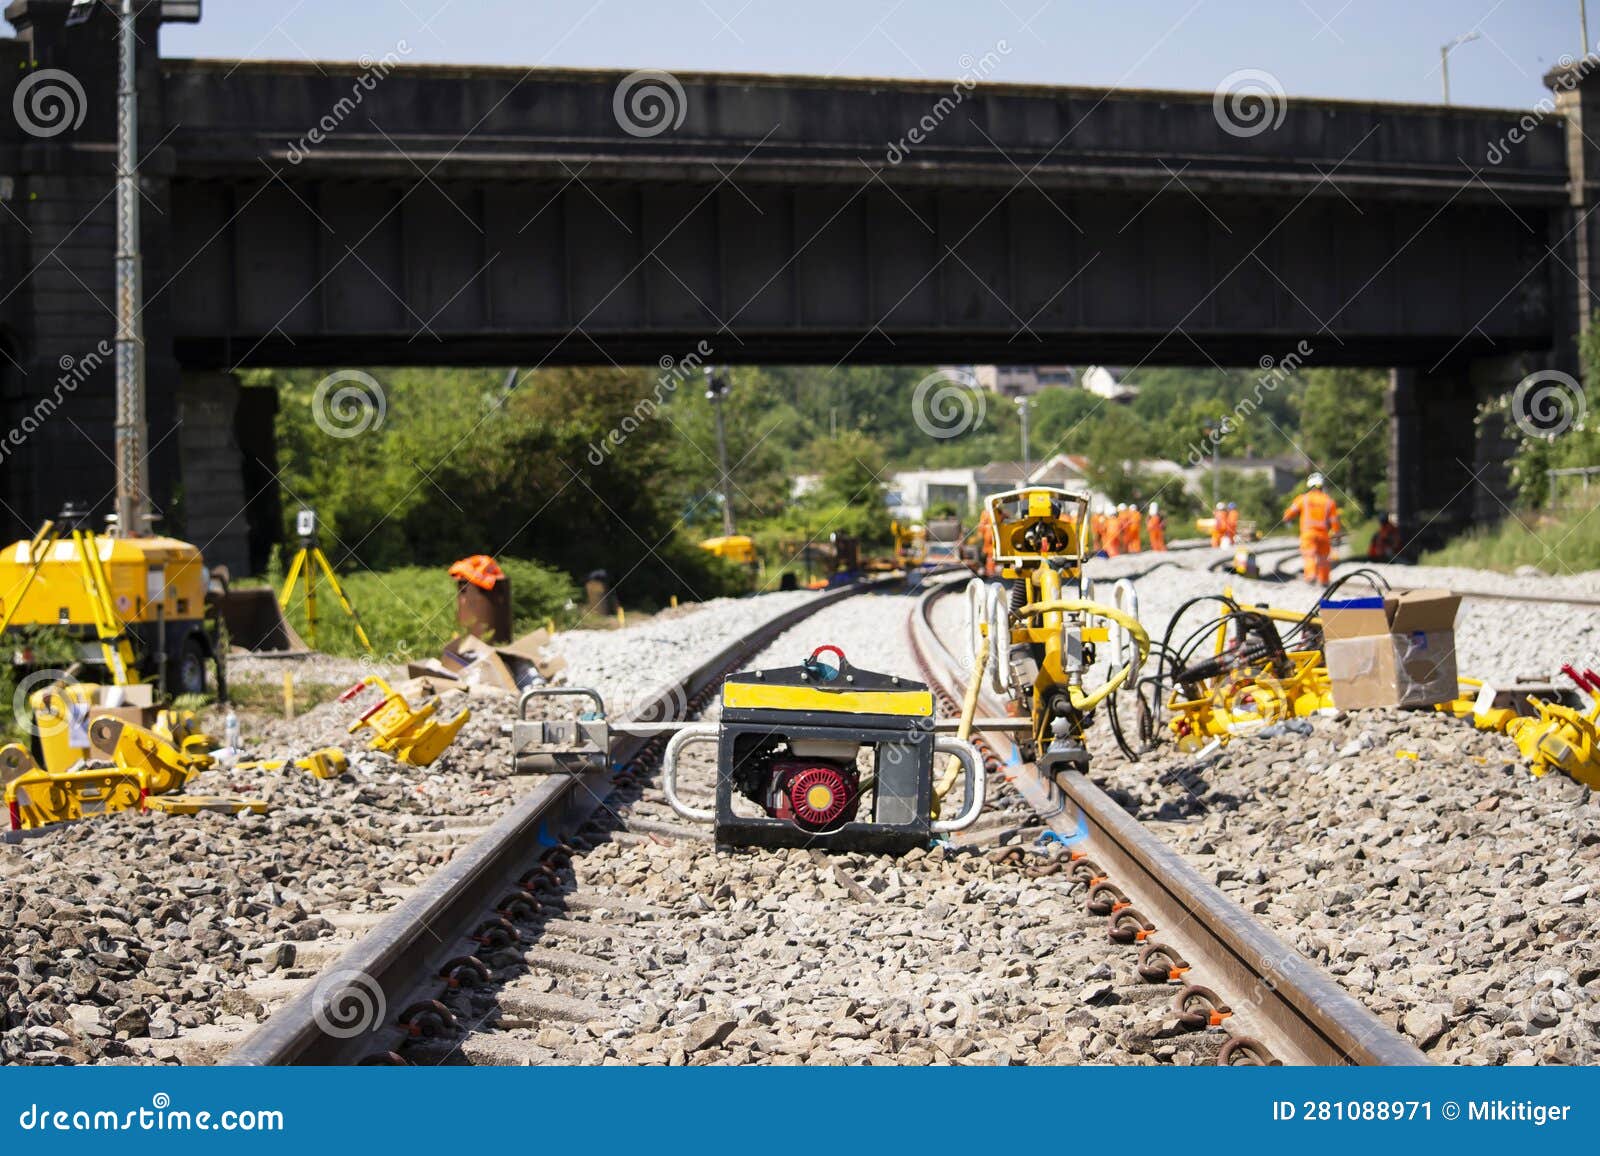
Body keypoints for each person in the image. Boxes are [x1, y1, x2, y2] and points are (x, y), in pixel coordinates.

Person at [1282, 472, 1342, 584]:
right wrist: (1337, 534)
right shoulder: (1329, 501)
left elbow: (1289, 514)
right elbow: (1334, 521)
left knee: (1309, 555)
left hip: (1308, 534)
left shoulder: (1303, 499)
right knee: (1324, 559)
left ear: (1310, 485)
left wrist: (1287, 519)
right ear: (1322, 486)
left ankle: (1311, 576)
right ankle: (1324, 580)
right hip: (1323, 535)